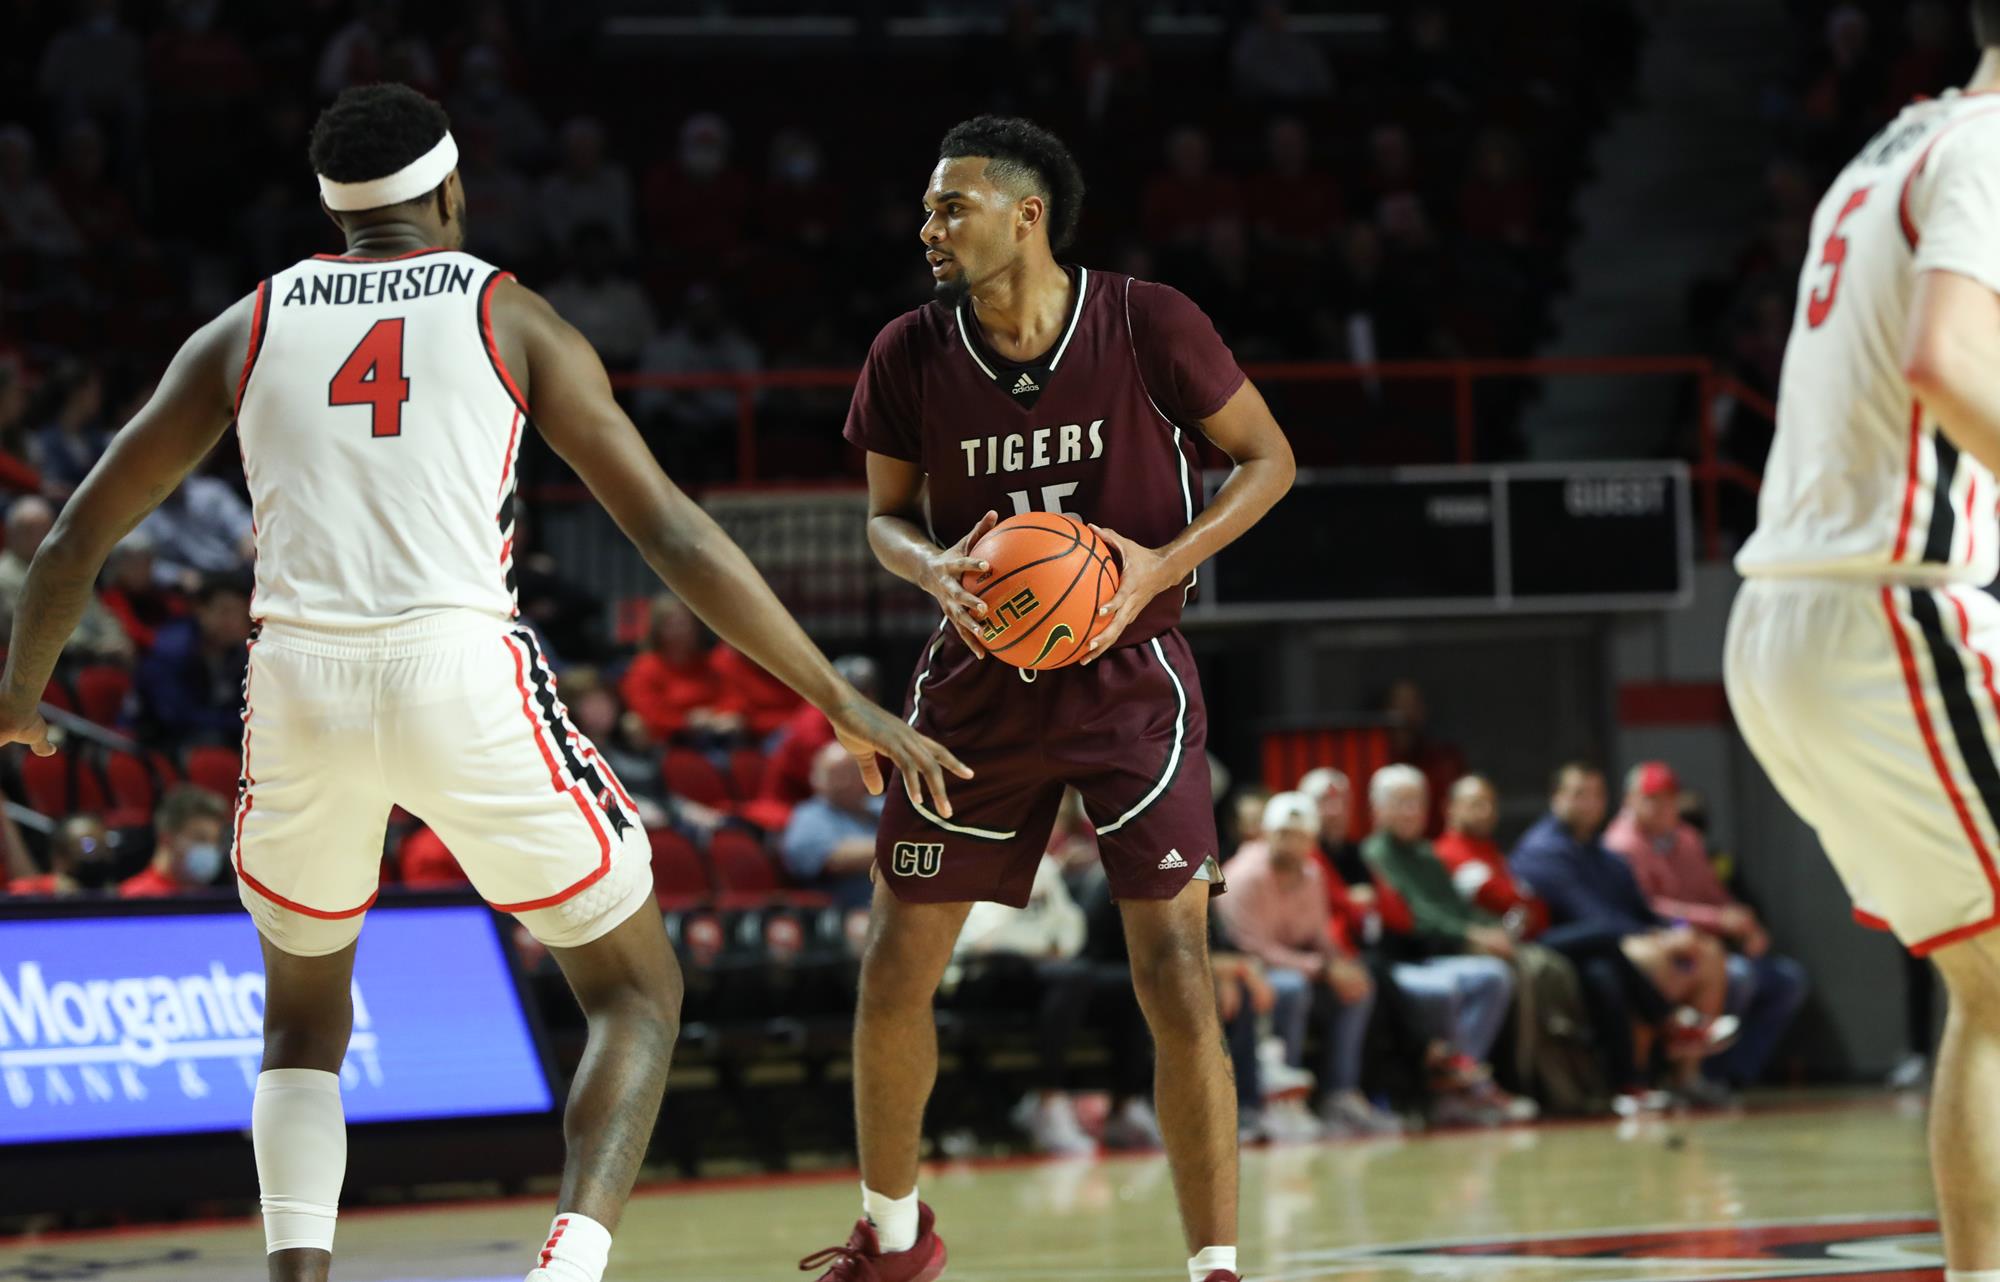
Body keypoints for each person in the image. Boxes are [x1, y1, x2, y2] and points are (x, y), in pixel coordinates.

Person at [0, 84, 964, 1282]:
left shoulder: (243, 327)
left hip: (297, 680)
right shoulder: (509, 314)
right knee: (636, 992)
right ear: (451, 194)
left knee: (301, 1020)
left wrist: (16, 700)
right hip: (459, 666)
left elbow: (70, 540)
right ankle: (561, 1269)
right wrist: (837, 694)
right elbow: (669, 532)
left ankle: (297, 1274)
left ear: (333, 211)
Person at [808, 115, 1294, 1282]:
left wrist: (1152, 567)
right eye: (927, 209)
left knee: (1174, 968)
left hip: (1131, 680)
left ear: (1026, 213)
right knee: (892, 968)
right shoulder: (907, 351)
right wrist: (927, 565)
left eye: (949, 206)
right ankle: (892, 1241)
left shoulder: (1146, 321)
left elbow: (1266, 459)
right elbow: (882, 514)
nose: (928, 228)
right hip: (975, 681)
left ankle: (1214, 1265)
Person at [1725, 11, 2000, 1268]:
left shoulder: (1895, 145)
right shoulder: (1991, 146)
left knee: (1988, 994)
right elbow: (1946, 364)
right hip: (1884, 606)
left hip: (1793, 616)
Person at [1511, 764, 1736, 1108]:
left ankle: (1672, 1077)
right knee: (1617, 957)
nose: (1589, 803)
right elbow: (1589, 916)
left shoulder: (1605, 856)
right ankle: (1667, 1031)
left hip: (1598, 949)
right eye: (1578, 795)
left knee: (1687, 953)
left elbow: (1643, 912)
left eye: (1596, 795)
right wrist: (1658, 937)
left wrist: (1676, 930)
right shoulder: (1542, 850)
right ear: (1556, 798)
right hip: (1548, 945)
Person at [1603, 762, 1809, 1088]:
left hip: (1699, 943)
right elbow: (1646, 908)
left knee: (1787, 980)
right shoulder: (1620, 844)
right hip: (1651, 941)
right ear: (1630, 799)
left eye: (1669, 798)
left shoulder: (1685, 838)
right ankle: (1695, 1073)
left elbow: (1714, 894)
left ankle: (1727, 1076)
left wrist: (1742, 921)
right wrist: (1714, 920)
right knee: (1737, 975)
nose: (1662, 807)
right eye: (1652, 798)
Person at [1216, 791, 1399, 1139]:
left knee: (1359, 986)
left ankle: (1340, 1095)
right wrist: (1321, 968)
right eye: (1284, 834)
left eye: (1300, 836)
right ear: (1266, 834)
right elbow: (1254, 947)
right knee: (1292, 988)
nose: (1292, 844)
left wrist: (1340, 963)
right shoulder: (1242, 876)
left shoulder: (1313, 874)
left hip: (1298, 965)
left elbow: (1318, 934)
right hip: (1251, 971)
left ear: (1311, 841)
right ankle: (1281, 1099)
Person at [1359, 766, 1536, 1126]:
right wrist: (1472, 936)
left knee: (1495, 977)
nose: (1411, 811)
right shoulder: (1373, 854)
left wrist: (1490, 930)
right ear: (1377, 809)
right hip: (1399, 957)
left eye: (1416, 802)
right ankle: (1449, 1087)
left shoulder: (1427, 854)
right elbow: (1414, 918)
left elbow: (1456, 906)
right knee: (1448, 988)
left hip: (1436, 952)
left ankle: (1459, 1084)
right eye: (1400, 803)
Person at [0, 495, 130, 662]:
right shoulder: (3, 577)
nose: (38, 537)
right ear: (12, 533)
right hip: (56, 666)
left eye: (44, 530)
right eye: (28, 530)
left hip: (100, 655)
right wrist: (97, 648)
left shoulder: (67, 568)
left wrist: (116, 640)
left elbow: (98, 611)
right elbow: (27, 632)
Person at [134, 573, 252, 748]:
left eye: (240, 614)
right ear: (200, 610)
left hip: (213, 740)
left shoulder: (239, 654)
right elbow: (174, 716)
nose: (233, 622)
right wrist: (240, 722)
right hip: (156, 745)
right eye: (226, 612)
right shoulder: (171, 650)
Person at [1434, 774, 1549, 937]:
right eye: (1477, 804)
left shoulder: (1489, 849)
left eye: (1492, 804)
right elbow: (1504, 901)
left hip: (1521, 940)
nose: (1487, 811)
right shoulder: (1446, 853)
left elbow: (1535, 908)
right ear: (1450, 808)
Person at [781, 742, 885, 910]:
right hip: (849, 915)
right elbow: (833, 858)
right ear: (815, 779)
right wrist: (899, 849)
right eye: (835, 775)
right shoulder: (809, 816)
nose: (844, 782)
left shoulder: (882, 807)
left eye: (851, 773)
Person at [120, 785, 230, 898]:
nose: (210, 849)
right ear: (166, 839)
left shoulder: (215, 901)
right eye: (200, 838)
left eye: (215, 841)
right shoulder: (133, 898)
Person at [7, 814, 116, 897]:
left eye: (103, 844)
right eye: (87, 845)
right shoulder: (36, 893)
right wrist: (49, 886)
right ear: (59, 858)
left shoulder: (125, 893)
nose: (97, 852)